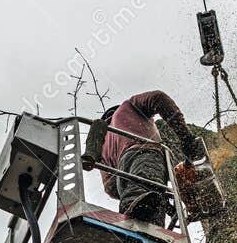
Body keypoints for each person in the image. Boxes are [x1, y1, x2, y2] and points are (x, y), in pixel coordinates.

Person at [82, 92, 205, 228]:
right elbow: (158, 98)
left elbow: (110, 188)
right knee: (145, 199)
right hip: (145, 152)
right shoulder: (128, 107)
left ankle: (134, 225)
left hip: (121, 177)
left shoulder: (103, 142)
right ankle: (146, 218)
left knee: (138, 200)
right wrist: (185, 136)